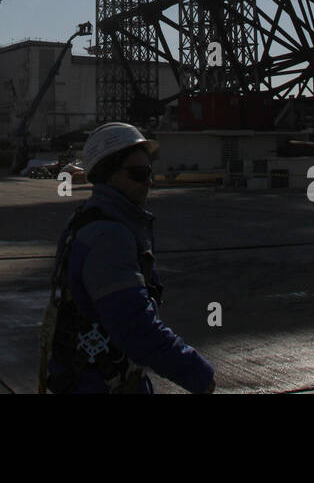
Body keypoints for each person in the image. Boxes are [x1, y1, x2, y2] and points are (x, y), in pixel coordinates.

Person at [40, 122, 215, 394]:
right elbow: (134, 327)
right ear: (107, 173)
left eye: (148, 172)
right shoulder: (109, 237)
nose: (148, 181)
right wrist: (197, 374)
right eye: (138, 173)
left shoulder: (85, 219)